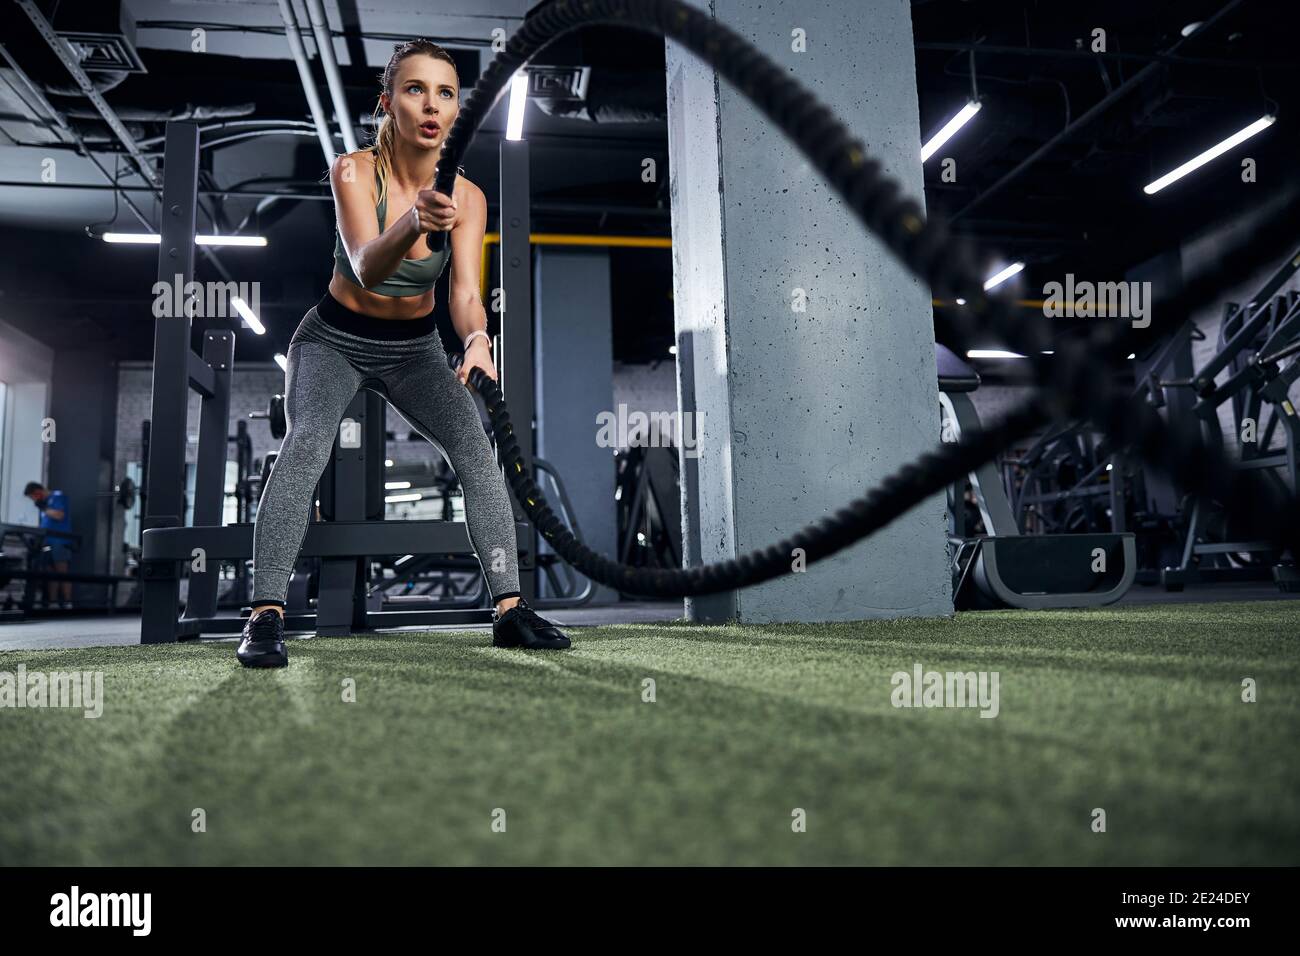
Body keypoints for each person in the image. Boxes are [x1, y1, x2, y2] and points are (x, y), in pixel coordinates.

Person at [238, 38, 570, 668]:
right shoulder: (353, 171)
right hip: (333, 338)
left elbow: (466, 295)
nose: (431, 104)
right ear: (387, 101)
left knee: (478, 449)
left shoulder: (468, 199)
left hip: (415, 350)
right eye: (415, 89)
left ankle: (509, 612)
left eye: (446, 93)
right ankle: (264, 616)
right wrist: (415, 221)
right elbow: (366, 267)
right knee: (308, 441)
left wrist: (477, 339)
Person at [23, 481, 73, 609]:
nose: (33, 500)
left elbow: (59, 515)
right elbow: (46, 522)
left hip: (59, 541)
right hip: (47, 542)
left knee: (61, 569)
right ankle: (53, 602)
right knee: (50, 570)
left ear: (37, 492)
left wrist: (44, 507)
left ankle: (68, 601)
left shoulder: (57, 496)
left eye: (33, 497)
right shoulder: (44, 505)